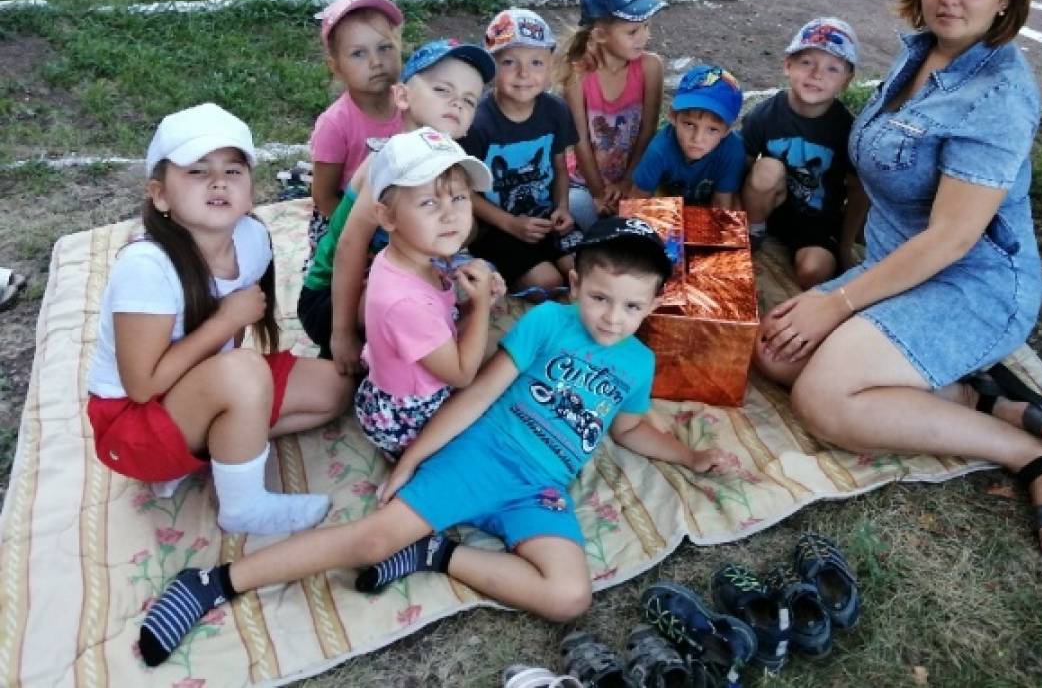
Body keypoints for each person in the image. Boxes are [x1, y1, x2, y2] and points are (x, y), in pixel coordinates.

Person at [136, 216, 732, 667]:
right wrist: (417, 455)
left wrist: (690, 455)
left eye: (631, 306)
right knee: (371, 539)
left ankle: (433, 555)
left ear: (655, 303)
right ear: (574, 284)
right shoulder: (547, 322)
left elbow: (628, 428)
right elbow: (476, 395)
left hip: (540, 488)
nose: (612, 318)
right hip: (482, 455)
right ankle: (214, 583)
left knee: (569, 596)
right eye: (600, 298)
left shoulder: (638, 362)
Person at [753, 0, 1042, 559]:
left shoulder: (997, 96)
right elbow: (870, 166)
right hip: (900, 265)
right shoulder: (921, 52)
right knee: (775, 352)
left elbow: (950, 240)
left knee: (823, 400)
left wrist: (839, 302)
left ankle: (1032, 454)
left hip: (973, 286)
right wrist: (845, 258)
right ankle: (976, 398)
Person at [86, 104, 352, 535]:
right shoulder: (146, 268)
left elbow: (231, 346)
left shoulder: (252, 238)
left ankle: (221, 448)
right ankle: (242, 508)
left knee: (335, 389)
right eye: (197, 171)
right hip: (133, 424)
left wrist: (225, 386)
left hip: (197, 389)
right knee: (243, 370)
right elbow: (142, 387)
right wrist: (226, 321)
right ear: (160, 194)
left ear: (250, 190)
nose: (218, 181)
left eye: (233, 170)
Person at [296, 38, 495, 368]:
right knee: (403, 302)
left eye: (469, 100)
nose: (456, 103)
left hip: (396, 275)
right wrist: (342, 333)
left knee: (478, 281)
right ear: (402, 96)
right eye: (442, 90)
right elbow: (349, 246)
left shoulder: (453, 163)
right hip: (332, 298)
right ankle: (353, 359)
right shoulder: (387, 160)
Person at [355, 128, 502, 459]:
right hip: (410, 417)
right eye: (429, 202)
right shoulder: (405, 301)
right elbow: (462, 376)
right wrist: (480, 307)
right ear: (386, 216)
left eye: (459, 198)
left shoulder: (412, 256)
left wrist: (477, 303)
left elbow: (440, 319)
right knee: (499, 403)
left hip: (396, 385)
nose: (450, 214)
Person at [741, 18, 868, 289]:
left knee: (813, 271)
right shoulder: (764, 114)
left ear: (846, 80)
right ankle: (753, 233)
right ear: (788, 65)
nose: (817, 74)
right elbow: (740, 167)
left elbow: (858, 190)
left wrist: (846, 246)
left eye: (832, 68)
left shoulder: (848, 129)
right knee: (766, 170)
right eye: (806, 62)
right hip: (771, 208)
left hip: (818, 222)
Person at [462, 9, 581, 294]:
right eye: (509, 62)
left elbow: (560, 166)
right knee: (548, 282)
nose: (524, 74)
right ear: (491, 67)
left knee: (582, 269)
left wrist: (562, 207)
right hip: (496, 227)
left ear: (550, 66)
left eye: (536, 62)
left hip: (545, 218)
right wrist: (511, 224)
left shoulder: (556, 111)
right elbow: (465, 193)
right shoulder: (477, 124)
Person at [557, 0, 666, 230]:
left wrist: (628, 182)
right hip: (585, 182)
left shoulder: (651, 67)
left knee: (653, 218)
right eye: (633, 31)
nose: (645, 37)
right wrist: (598, 193)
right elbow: (580, 139)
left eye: (646, 26)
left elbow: (648, 130)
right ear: (600, 35)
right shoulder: (577, 73)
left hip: (636, 177)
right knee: (577, 207)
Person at [308, 0, 406, 247]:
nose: (376, 62)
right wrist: (363, 236)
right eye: (358, 53)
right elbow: (324, 197)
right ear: (336, 66)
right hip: (345, 220)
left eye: (384, 47)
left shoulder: (413, 104)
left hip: (402, 215)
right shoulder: (335, 125)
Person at [628, 64, 747, 208]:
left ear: (727, 130)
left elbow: (722, 203)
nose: (697, 139)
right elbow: (637, 200)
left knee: (736, 207)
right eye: (690, 124)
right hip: (667, 206)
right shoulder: (659, 150)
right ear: (673, 116)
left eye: (712, 130)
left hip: (708, 207)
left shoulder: (733, 151)